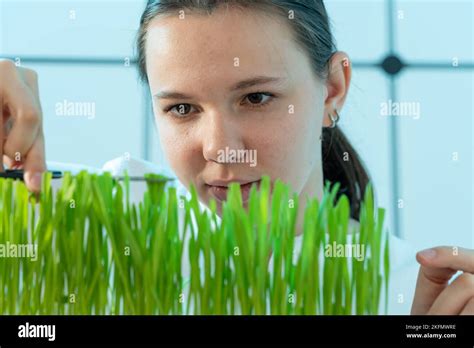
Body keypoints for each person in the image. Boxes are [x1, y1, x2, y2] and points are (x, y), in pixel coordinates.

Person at [0, 0, 472, 315]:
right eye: (181, 108)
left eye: (256, 98)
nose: (217, 147)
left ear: (333, 89)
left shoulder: (420, 297)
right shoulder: (98, 213)